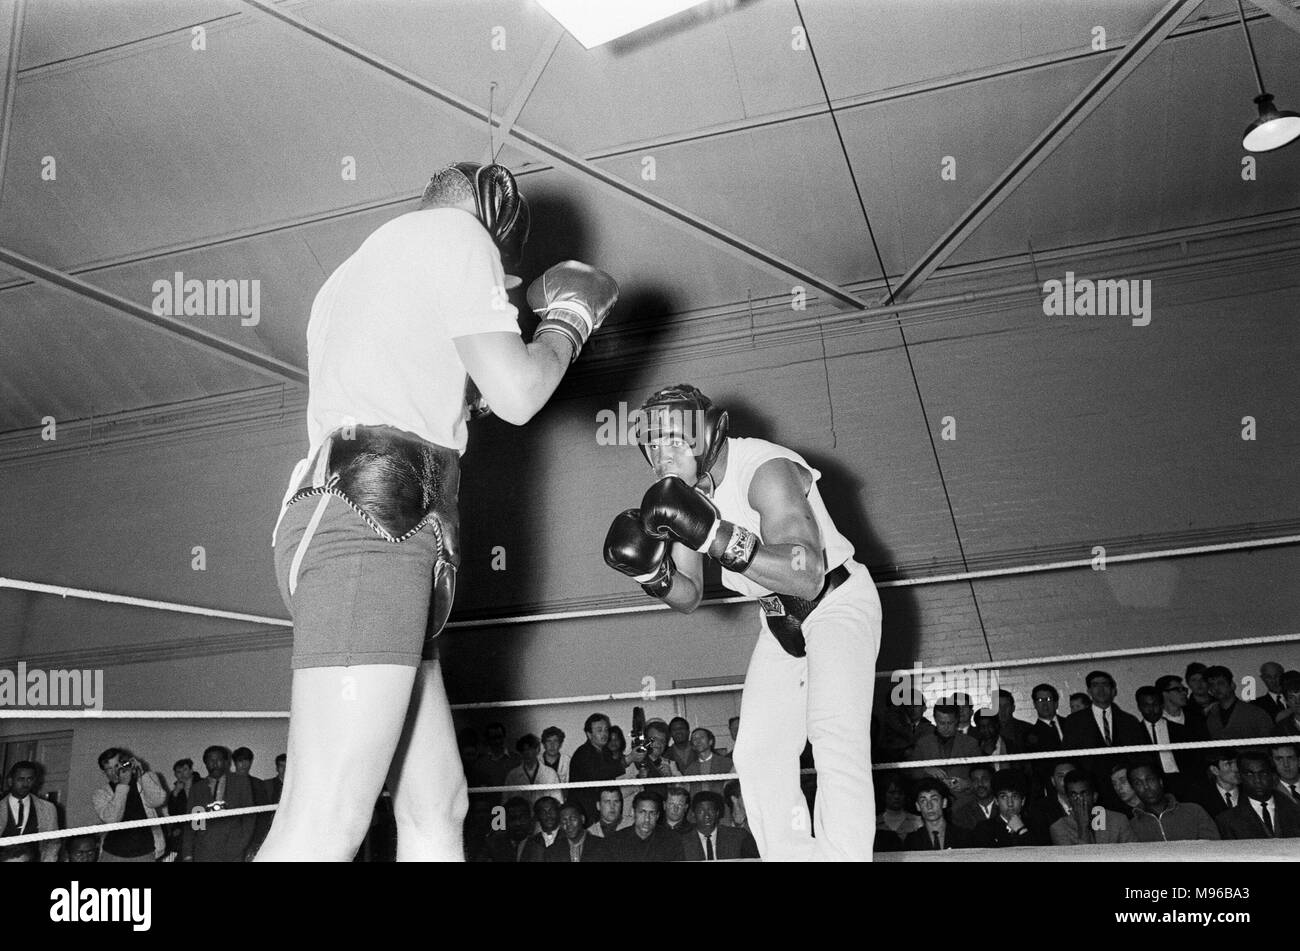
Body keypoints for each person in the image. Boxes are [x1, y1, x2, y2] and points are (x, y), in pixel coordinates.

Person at [261, 160, 618, 862]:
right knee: (323, 819)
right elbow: (519, 393)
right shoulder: (460, 238)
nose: (505, 287)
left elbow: (425, 389)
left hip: (370, 522)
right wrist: (566, 325)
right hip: (373, 526)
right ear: (492, 223)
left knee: (436, 805)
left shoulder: (357, 272)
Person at [604, 384, 881, 861]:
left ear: (707, 435)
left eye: (674, 440)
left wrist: (713, 532)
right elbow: (688, 594)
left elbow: (806, 571)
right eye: (652, 443)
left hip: (836, 601)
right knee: (757, 753)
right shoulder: (686, 493)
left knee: (834, 735)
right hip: (779, 622)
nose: (662, 455)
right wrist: (652, 575)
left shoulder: (765, 468)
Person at [183, 745, 257, 863]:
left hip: (234, 851)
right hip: (204, 852)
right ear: (205, 763)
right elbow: (193, 823)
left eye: (219, 760)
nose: (215, 763)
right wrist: (187, 854)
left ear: (226, 762)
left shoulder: (241, 782)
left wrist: (240, 845)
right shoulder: (197, 789)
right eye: (211, 760)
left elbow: (249, 818)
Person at [92, 748, 167, 862]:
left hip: (146, 852)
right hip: (113, 854)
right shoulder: (100, 794)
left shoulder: (147, 778)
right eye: (109, 769)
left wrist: (141, 774)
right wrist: (123, 785)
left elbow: (157, 801)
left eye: (117, 766)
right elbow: (112, 819)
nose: (115, 772)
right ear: (104, 772)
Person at [1216, 750, 1300, 839]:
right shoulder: (1228, 821)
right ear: (1240, 777)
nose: (1257, 780)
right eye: (1249, 774)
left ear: (1272, 775)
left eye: (1263, 773)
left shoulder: (1295, 811)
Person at [1127, 763, 1220, 842]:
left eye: (1150, 779)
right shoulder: (1132, 826)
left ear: (1160, 781)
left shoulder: (1194, 811)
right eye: (1138, 783)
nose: (1146, 787)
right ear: (1133, 789)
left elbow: (1214, 848)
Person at [569, 714, 626, 832]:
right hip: (586, 814)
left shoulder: (605, 752)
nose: (604, 734)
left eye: (606, 730)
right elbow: (599, 774)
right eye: (599, 730)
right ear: (589, 734)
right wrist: (628, 760)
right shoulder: (583, 753)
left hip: (603, 814)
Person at [1050, 769, 1134, 845]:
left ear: (1094, 796)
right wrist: (1083, 826)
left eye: (1084, 793)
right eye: (1073, 794)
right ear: (1068, 799)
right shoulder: (1059, 828)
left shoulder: (1118, 821)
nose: (1079, 800)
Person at [2, 762, 59, 862]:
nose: (25, 784)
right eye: (20, 779)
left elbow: (53, 843)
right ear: (10, 781)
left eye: (29, 779)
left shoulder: (48, 809)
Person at [1203, 666, 1276, 741]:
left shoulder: (1256, 713)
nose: (1216, 688)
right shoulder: (1211, 716)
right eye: (1211, 685)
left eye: (1220, 683)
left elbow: (1269, 743)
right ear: (1209, 690)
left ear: (1232, 685)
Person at [683, 791, 758, 860]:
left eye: (711, 810)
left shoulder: (738, 837)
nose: (707, 815)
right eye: (701, 811)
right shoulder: (683, 841)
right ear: (693, 814)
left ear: (717, 813)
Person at [903, 778, 974, 851]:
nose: (929, 806)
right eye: (923, 801)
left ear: (944, 803)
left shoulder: (964, 836)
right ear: (918, 806)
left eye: (934, 799)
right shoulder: (912, 841)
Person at [611, 792, 684, 862]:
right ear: (633, 812)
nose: (647, 819)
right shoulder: (617, 841)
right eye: (642, 812)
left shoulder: (671, 842)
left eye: (652, 813)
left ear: (657, 816)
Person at [972, 770, 1033, 848]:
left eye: (1014, 796)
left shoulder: (1035, 825)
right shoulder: (984, 828)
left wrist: (1022, 830)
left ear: (1023, 801)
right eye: (1004, 797)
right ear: (996, 801)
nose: (1010, 803)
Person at [502, 734, 562, 807]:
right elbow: (505, 802)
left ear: (537, 749)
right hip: (521, 816)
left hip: (544, 816)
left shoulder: (550, 773)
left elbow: (558, 801)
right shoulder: (512, 775)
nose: (526, 753)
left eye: (529, 749)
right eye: (523, 750)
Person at [543, 801, 612, 862]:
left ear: (582, 819)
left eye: (572, 819)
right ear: (560, 825)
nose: (568, 824)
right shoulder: (552, 851)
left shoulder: (602, 846)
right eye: (564, 820)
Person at [875, 772, 922, 843]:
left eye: (900, 792)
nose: (896, 796)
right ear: (883, 795)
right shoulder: (875, 823)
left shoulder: (917, 822)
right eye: (892, 792)